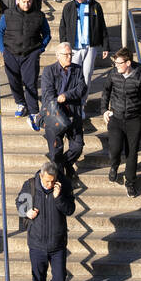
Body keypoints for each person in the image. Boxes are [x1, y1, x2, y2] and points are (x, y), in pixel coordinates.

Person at [101, 46, 141, 198]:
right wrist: (104, 110)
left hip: (134, 119)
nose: (116, 66)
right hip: (116, 117)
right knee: (115, 147)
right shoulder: (113, 74)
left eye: (119, 63)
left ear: (128, 63)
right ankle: (114, 165)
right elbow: (106, 91)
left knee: (132, 152)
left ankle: (130, 182)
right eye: (115, 63)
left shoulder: (140, 77)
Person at [18, 160, 76, 281]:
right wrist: (27, 211)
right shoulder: (30, 185)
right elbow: (19, 203)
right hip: (37, 243)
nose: (50, 184)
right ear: (41, 176)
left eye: (53, 181)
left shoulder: (64, 185)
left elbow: (70, 209)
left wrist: (59, 198)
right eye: (47, 181)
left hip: (57, 244)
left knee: (59, 279)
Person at [0, 0, 51, 131]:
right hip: (11, 52)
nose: (26, 4)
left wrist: (40, 49)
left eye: (29, 1)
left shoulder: (39, 16)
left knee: (30, 83)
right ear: (18, 0)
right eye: (24, 1)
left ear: (32, 0)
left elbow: (47, 34)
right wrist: (3, 49)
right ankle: (21, 103)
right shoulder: (8, 14)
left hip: (31, 53)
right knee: (14, 80)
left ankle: (34, 113)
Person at [40, 42, 87, 182]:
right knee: (56, 152)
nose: (69, 57)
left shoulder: (77, 69)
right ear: (57, 56)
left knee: (77, 147)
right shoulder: (49, 71)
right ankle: (62, 181)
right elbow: (48, 93)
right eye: (66, 54)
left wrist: (66, 96)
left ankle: (66, 164)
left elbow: (81, 89)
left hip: (73, 114)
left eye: (70, 54)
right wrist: (58, 100)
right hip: (55, 116)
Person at [59, 0, 107, 106]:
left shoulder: (95, 6)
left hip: (90, 47)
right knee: (73, 76)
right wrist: (63, 47)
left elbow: (102, 26)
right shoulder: (68, 7)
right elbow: (62, 27)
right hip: (74, 49)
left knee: (86, 75)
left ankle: (82, 102)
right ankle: (71, 101)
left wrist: (105, 46)